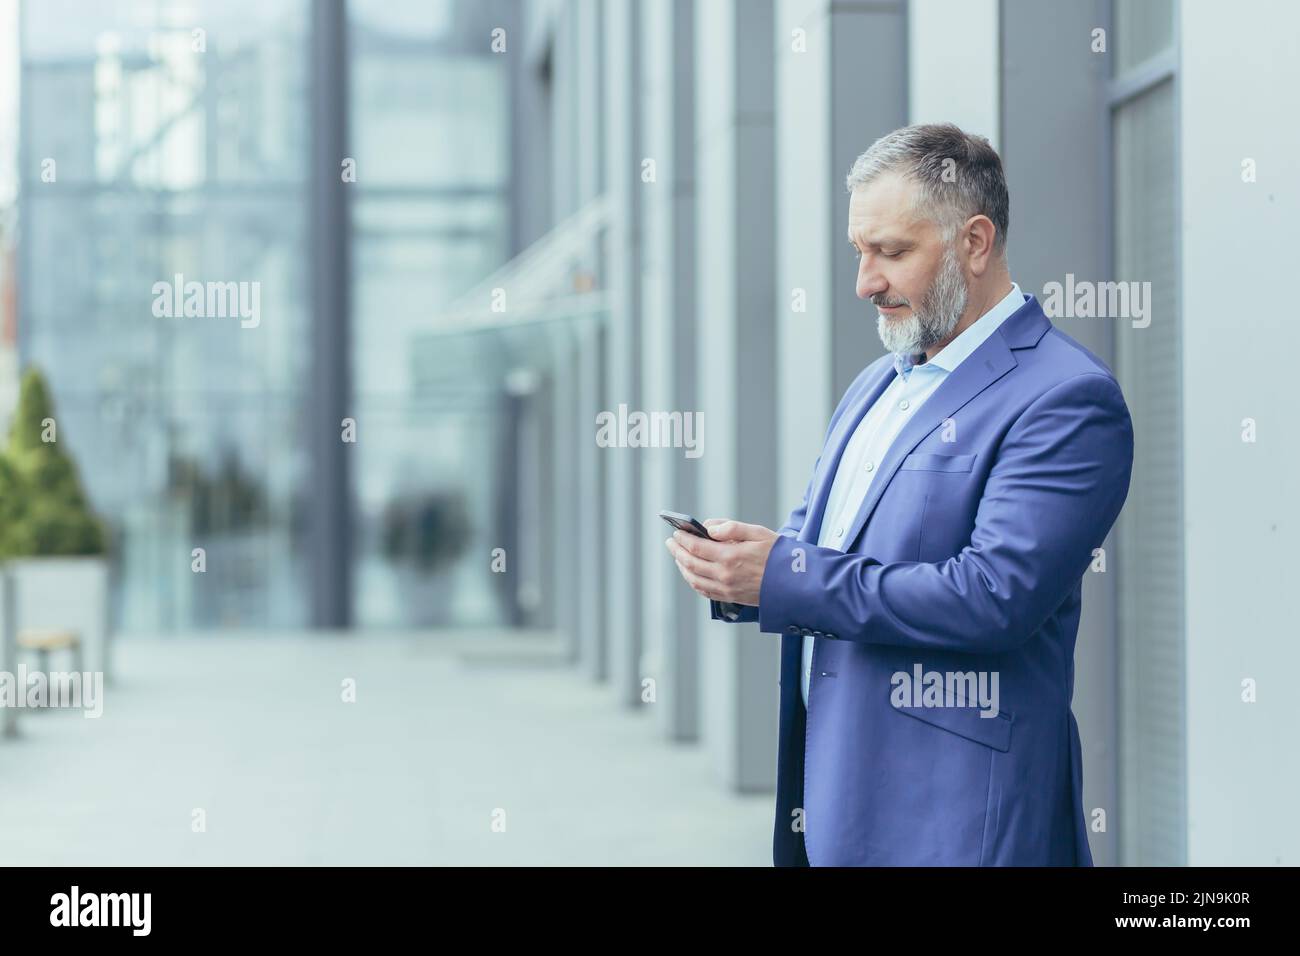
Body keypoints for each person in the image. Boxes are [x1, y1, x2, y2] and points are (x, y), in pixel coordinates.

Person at [665, 122, 1134, 866]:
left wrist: (783, 574)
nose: (865, 282)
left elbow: (994, 597)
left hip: (958, 820)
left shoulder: (1067, 398)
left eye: (892, 252)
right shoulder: (878, 382)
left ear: (975, 243)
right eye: (860, 252)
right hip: (839, 796)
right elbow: (822, 554)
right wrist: (744, 569)